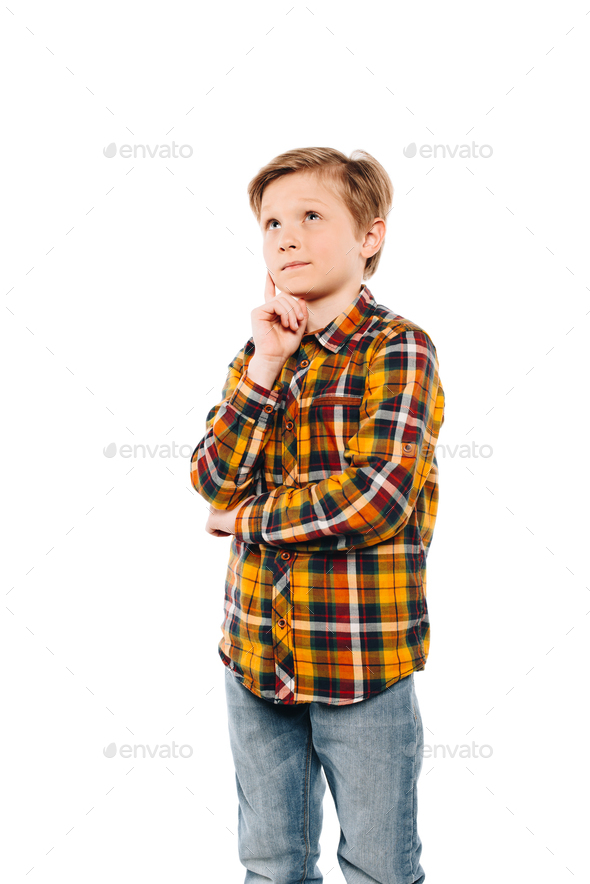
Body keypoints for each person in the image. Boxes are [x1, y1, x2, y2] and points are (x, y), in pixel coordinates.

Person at [190, 146, 445, 884]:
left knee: (380, 867)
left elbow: (377, 497)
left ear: (371, 236)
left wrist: (246, 520)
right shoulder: (258, 354)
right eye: (272, 223)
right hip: (256, 660)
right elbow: (212, 476)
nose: (286, 238)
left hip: (361, 660)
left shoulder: (397, 349)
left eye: (310, 216)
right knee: (271, 864)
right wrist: (267, 365)